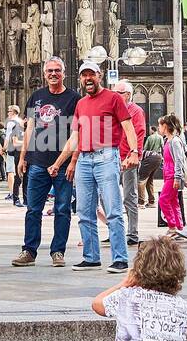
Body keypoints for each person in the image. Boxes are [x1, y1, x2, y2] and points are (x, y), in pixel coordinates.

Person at [49, 60, 139, 274]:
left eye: (91, 74)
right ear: (80, 79)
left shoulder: (114, 98)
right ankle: (91, 257)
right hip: (84, 160)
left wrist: (134, 152)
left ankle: (120, 258)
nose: (88, 79)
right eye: (84, 75)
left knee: (113, 209)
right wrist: (58, 163)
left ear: (100, 76)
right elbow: (75, 137)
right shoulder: (81, 104)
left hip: (107, 156)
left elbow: (128, 126)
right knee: (84, 211)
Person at [13, 56, 80, 267]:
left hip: (62, 165)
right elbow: (30, 128)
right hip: (38, 162)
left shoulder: (74, 99)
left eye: (57, 70)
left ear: (64, 73)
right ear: (44, 74)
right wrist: (23, 157)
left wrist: (71, 162)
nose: (53, 74)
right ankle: (29, 251)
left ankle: (58, 251)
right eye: (50, 70)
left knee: (62, 209)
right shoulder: (36, 97)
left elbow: (77, 134)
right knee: (33, 209)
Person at [113, 80, 147, 246]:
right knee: (109, 196)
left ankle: (132, 233)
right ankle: (116, 229)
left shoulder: (136, 111)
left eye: (118, 93)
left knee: (129, 196)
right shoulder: (114, 109)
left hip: (128, 158)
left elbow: (139, 134)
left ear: (127, 94)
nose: (115, 95)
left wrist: (134, 155)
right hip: (113, 157)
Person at [157, 115, 187, 238]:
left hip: (173, 176)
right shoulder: (168, 140)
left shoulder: (175, 141)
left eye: (160, 125)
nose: (158, 128)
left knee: (163, 200)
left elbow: (179, 160)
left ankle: (172, 227)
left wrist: (177, 177)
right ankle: (179, 227)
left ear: (165, 126)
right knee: (173, 201)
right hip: (168, 175)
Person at [3, 105, 26, 206]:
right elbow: (14, 140)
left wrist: (4, 148)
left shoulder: (12, 123)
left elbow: (8, 137)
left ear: (14, 112)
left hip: (18, 150)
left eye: (9, 111)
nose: (8, 113)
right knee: (19, 174)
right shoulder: (19, 123)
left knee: (20, 174)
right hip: (18, 150)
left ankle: (18, 197)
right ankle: (17, 198)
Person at [139, 126, 163, 206]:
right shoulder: (160, 137)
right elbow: (163, 147)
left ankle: (141, 202)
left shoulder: (150, 138)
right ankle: (151, 201)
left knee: (141, 180)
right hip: (158, 157)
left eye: (150, 130)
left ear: (152, 130)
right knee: (150, 180)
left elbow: (145, 148)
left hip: (149, 157)